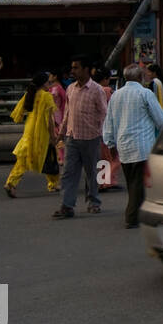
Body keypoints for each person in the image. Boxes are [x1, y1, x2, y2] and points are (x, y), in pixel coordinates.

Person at [102, 64, 163, 229]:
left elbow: (109, 122)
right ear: (140, 77)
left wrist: (110, 143)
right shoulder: (145, 93)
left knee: (133, 182)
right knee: (139, 184)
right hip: (143, 146)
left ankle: (140, 213)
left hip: (124, 146)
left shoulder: (116, 95)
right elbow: (161, 120)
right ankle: (132, 216)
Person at [52, 55, 108, 219]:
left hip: (91, 138)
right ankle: (67, 206)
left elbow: (104, 114)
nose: (73, 71)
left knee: (92, 172)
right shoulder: (71, 89)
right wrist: (61, 133)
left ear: (86, 70)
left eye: (76, 68)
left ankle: (94, 202)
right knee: (69, 173)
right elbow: (67, 113)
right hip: (72, 137)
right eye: (72, 67)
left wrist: (104, 136)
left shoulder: (97, 90)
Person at [4, 72, 59, 198]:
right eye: (49, 82)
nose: (50, 85)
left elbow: (18, 111)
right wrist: (53, 135)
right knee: (50, 156)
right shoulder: (46, 96)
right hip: (42, 133)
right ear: (43, 84)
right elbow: (49, 120)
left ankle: (11, 183)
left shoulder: (30, 94)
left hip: (29, 131)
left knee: (23, 160)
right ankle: (53, 183)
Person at [94, 64, 123, 191]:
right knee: (114, 158)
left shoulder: (93, 89)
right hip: (107, 127)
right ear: (106, 78)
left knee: (103, 158)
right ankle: (109, 181)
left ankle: (102, 182)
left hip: (96, 128)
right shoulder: (107, 91)